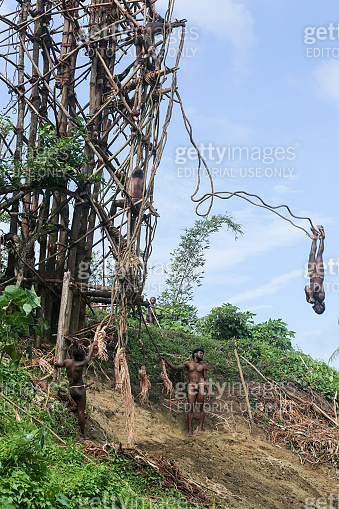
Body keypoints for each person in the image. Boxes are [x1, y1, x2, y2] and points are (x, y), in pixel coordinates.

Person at [163, 347, 210, 436]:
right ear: (195, 354)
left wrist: (208, 391)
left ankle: (200, 428)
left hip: (200, 386)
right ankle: (190, 430)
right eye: (200, 353)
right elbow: (176, 368)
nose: (202, 355)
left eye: (203, 354)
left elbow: (206, 379)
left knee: (200, 407)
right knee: (190, 407)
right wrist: (166, 361)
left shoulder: (203, 366)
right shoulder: (188, 364)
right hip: (191, 386)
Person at [54, 341, 98, 437]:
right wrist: (93, 344)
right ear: (79, 357)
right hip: (80, 389)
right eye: (83, 356)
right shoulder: (82, 363)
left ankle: (67, 409)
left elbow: (59, 365)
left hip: (71, 389)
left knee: (78, 408)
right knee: (81, 411)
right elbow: (90, 354)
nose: (84, 357)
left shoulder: (67, 362)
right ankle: (83, 434)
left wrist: (54, 364)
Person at [305, 225, 325, 314]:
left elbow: (306, 287)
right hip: (319, 275)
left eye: (315, 310)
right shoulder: (321, 298)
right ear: (321, 306)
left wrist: (309, 296)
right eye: (317, 309)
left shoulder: (310, 300)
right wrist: (313, 295)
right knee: (319, 255)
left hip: (312, 274)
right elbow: (317, 287)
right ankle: (321, 238)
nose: (314, 309)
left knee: (311, 255)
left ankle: (314, 237)